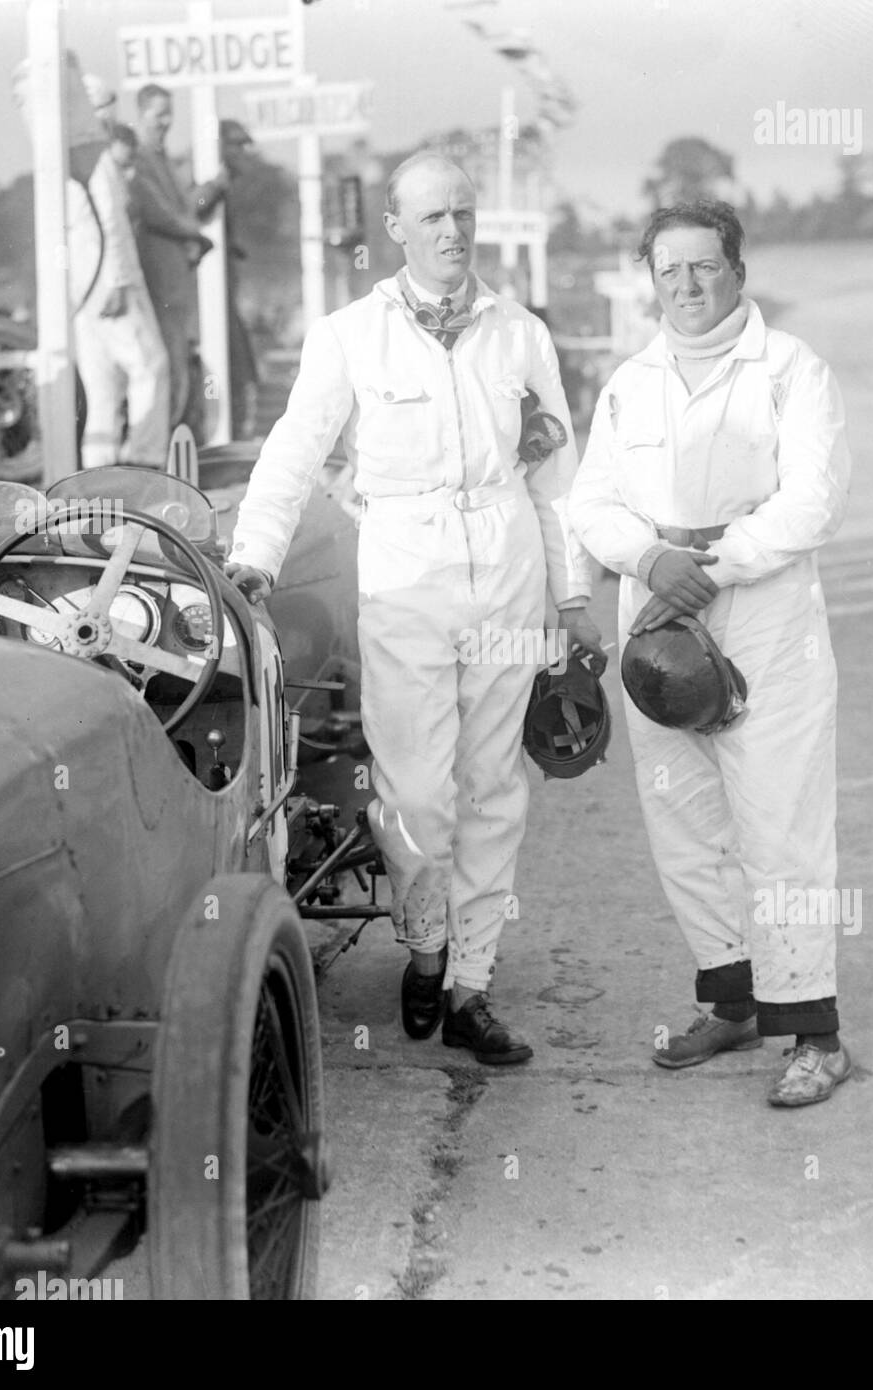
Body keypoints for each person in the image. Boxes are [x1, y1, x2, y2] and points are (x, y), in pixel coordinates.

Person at [227, 153, 604, 1064]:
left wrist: (575, 594)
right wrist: (251, 561)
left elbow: (555, 475)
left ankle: (471, 982)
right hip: (401, 578)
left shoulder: (519, 334)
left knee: (494, 789)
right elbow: (292, 451)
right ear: (393, 229)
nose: (452, 230)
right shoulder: (350, 335)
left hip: (507, 569)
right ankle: (424, 943)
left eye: (463, 213)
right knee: (414, 796)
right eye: (431, 216)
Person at [568, 200, 854, 1107]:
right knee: (684, 823)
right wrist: (652, 559)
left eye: (703, 267)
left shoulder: (792, 371)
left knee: (781, 825)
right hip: (656, 612)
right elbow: (592, 504)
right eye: (667, 270)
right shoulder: (629, 383)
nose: (686, 287)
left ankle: (814, 1032)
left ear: (738, 270)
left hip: (763, 613)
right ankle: (731, 1000)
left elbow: (812, 502)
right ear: (647, 279)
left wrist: (717, 565)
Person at [66, 72, 169, 469]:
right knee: (150, 367)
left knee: (103, 384)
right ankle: (144, 461)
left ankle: (98, 470)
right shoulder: (97, 159)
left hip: (84, 289)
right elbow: (108, 224)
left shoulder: (69, 158)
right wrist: (118, 281)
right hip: (109, 283)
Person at [132, 83, 212, 429]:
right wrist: (194, 234)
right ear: (141, 113)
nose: (165, 122)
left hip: (178, 280)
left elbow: (182, 207)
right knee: (166, 365)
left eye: (169, 114)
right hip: (158, 279)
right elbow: (156, 212)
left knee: (180, 364)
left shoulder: (165, 159)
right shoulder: (136, 157)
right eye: (158, 114)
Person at [194, 119, 261, 439]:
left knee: (240, 363)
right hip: (200, 298)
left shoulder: (229, 183)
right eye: (238, 145)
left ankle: (233, 432)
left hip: (224, 293)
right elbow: (191, 207)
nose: (244, 153)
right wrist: (214, 187)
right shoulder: (201, 172)